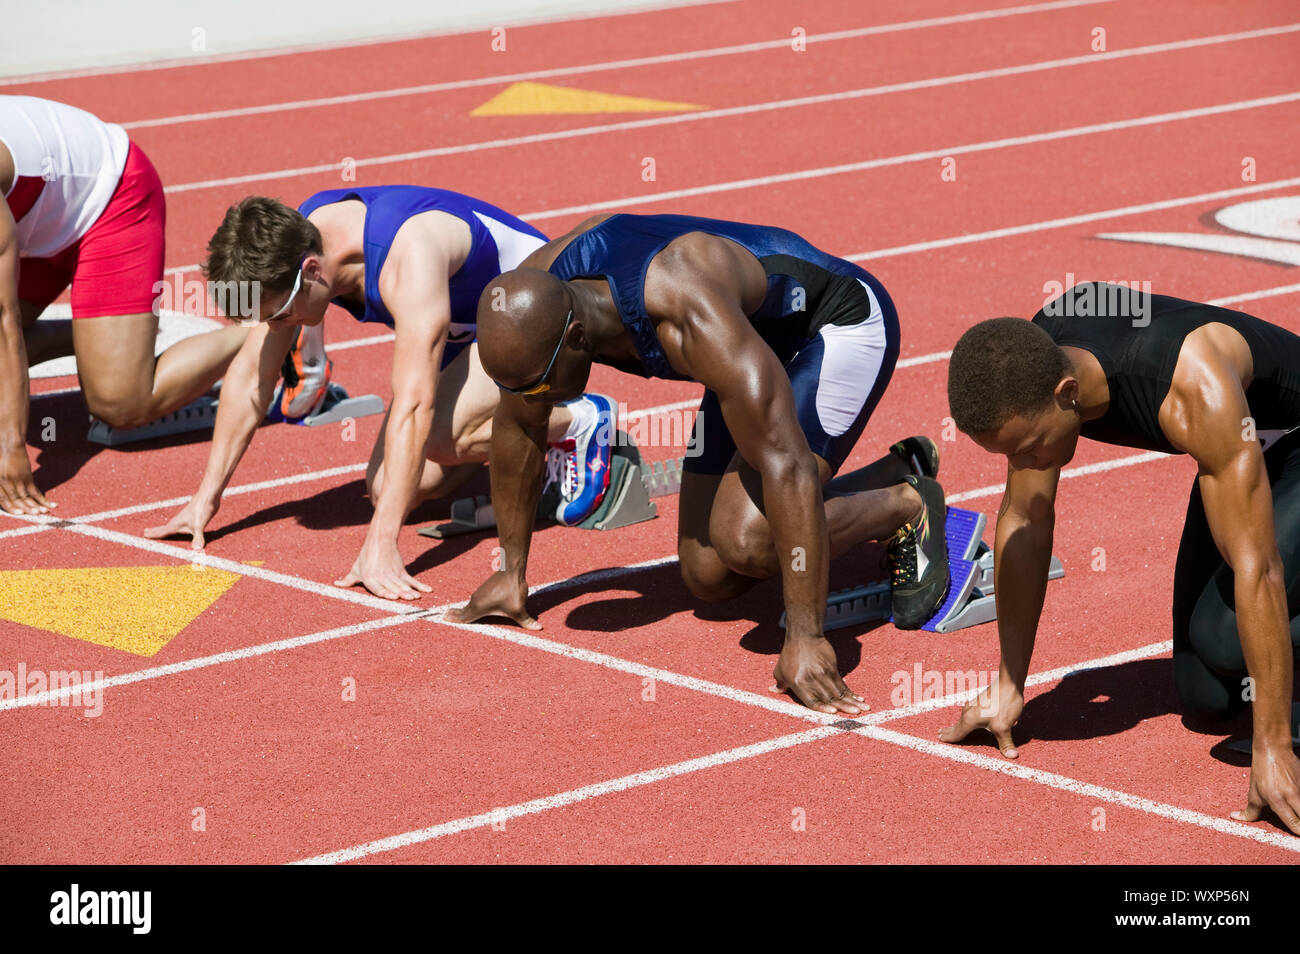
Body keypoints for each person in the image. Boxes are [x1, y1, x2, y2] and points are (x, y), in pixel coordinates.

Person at [446, 212, 949, 715]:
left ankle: (906, 505)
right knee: (709, 575)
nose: (531, 400)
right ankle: (891, 473)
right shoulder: (535, 296)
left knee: (747, 541)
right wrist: (512, 570)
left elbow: (786, 464)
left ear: (577, 335)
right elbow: (517, 424)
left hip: (833, 325)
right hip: (747, 346)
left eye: (536, 387)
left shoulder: (685, 310)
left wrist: (805, 635)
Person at [943, 281, 1300, 835]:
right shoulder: (1040, 358)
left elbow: (1259, 566)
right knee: (1207, 698)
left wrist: (1273, 747)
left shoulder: (1191, 385)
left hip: (1287, 444)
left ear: (1067, 393)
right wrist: (1010, 682)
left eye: (1029, 447)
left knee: (1224, 637)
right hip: (1247, 453)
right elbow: (1025, 522)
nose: (1024, 463)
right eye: (1009, 453)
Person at [146, 188, 615, 599]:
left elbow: (414, 402)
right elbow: (251, 378)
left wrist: (382, 542)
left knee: (432, 439)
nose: (276, 329)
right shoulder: (300, 240)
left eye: (281, 315)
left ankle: (577, 422)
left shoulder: (410, 254)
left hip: (540, 316)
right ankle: (516, 444)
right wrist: (205, 499)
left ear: (311, 270)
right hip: (469, 327)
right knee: (388, 487)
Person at [0, 94, 260, 516]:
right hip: (35, 220)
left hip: (112, 199)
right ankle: (99, 338)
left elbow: (4, 320)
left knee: (119, 402)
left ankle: (268, 332)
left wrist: (9, 447)